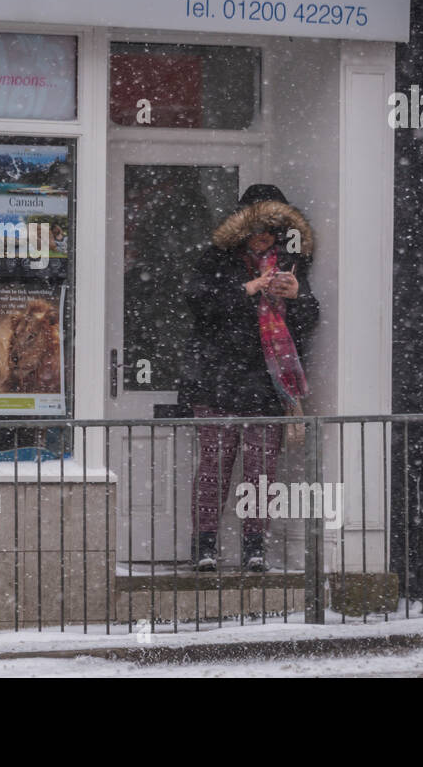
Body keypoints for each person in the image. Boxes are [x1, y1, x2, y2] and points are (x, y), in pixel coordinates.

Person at [179, 184, 320, 572]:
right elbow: (197, 304)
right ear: (244, 226)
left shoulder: (292, 264)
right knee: (215, 465)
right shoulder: (217, 258)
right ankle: (204, 545)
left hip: (265, 383)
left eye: (273, 229)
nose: (265, 236)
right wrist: (247, 289)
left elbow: (306, 322)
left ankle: (255, 547)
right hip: (215, 379)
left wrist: (297, 298)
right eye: (260, 227)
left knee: (261, 472)